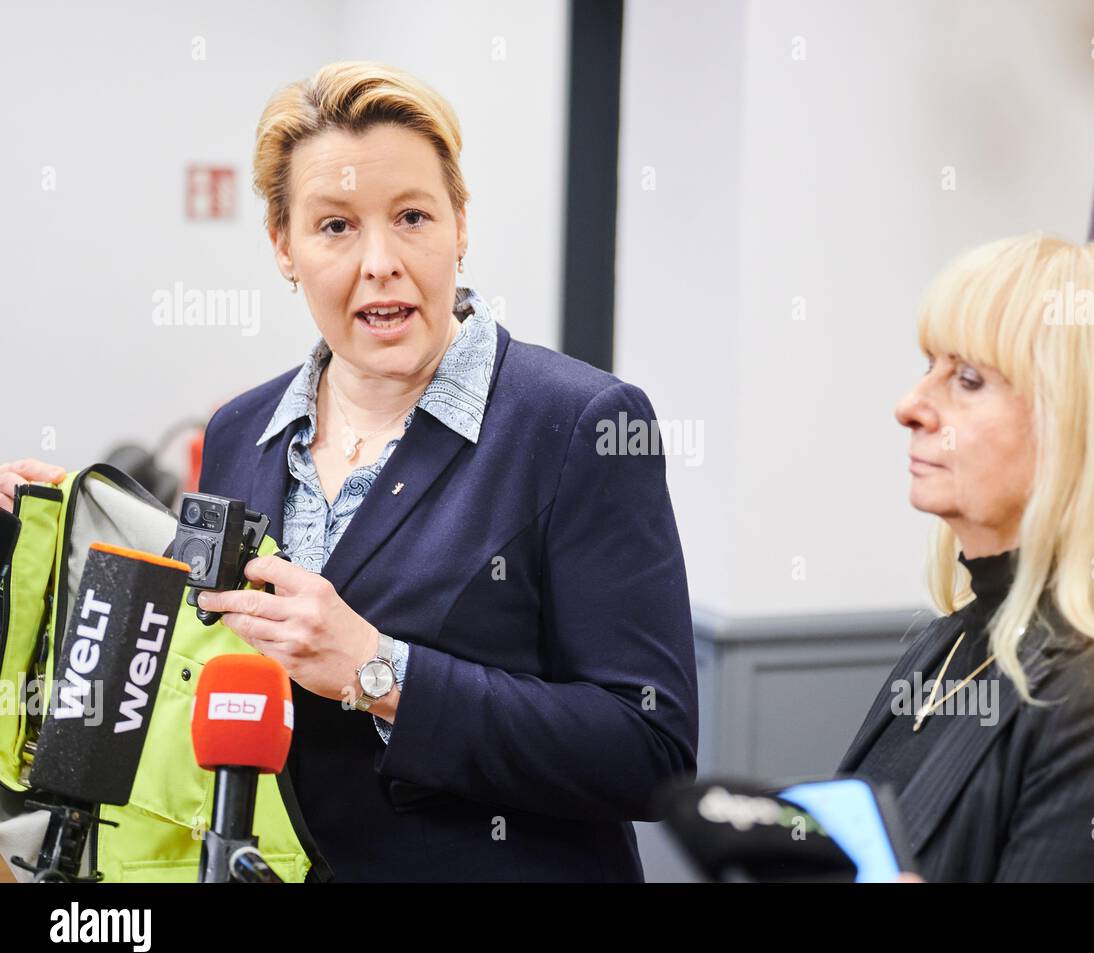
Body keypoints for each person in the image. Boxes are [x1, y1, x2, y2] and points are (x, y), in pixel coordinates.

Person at [4, 60, 699, 881]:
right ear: (283, 246)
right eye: (335, 226)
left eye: (412, 216)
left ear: (460, 225)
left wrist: (381, 671)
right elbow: (202, 680)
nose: (380, 261)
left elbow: (651, 753)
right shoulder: (241, 432)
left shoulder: (579, 423)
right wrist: (79, 541)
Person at [838, 232, 1094, 882]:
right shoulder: (945, 641)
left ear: (1088, 426)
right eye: (930, 368)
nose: (910, 406)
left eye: (968, 380)